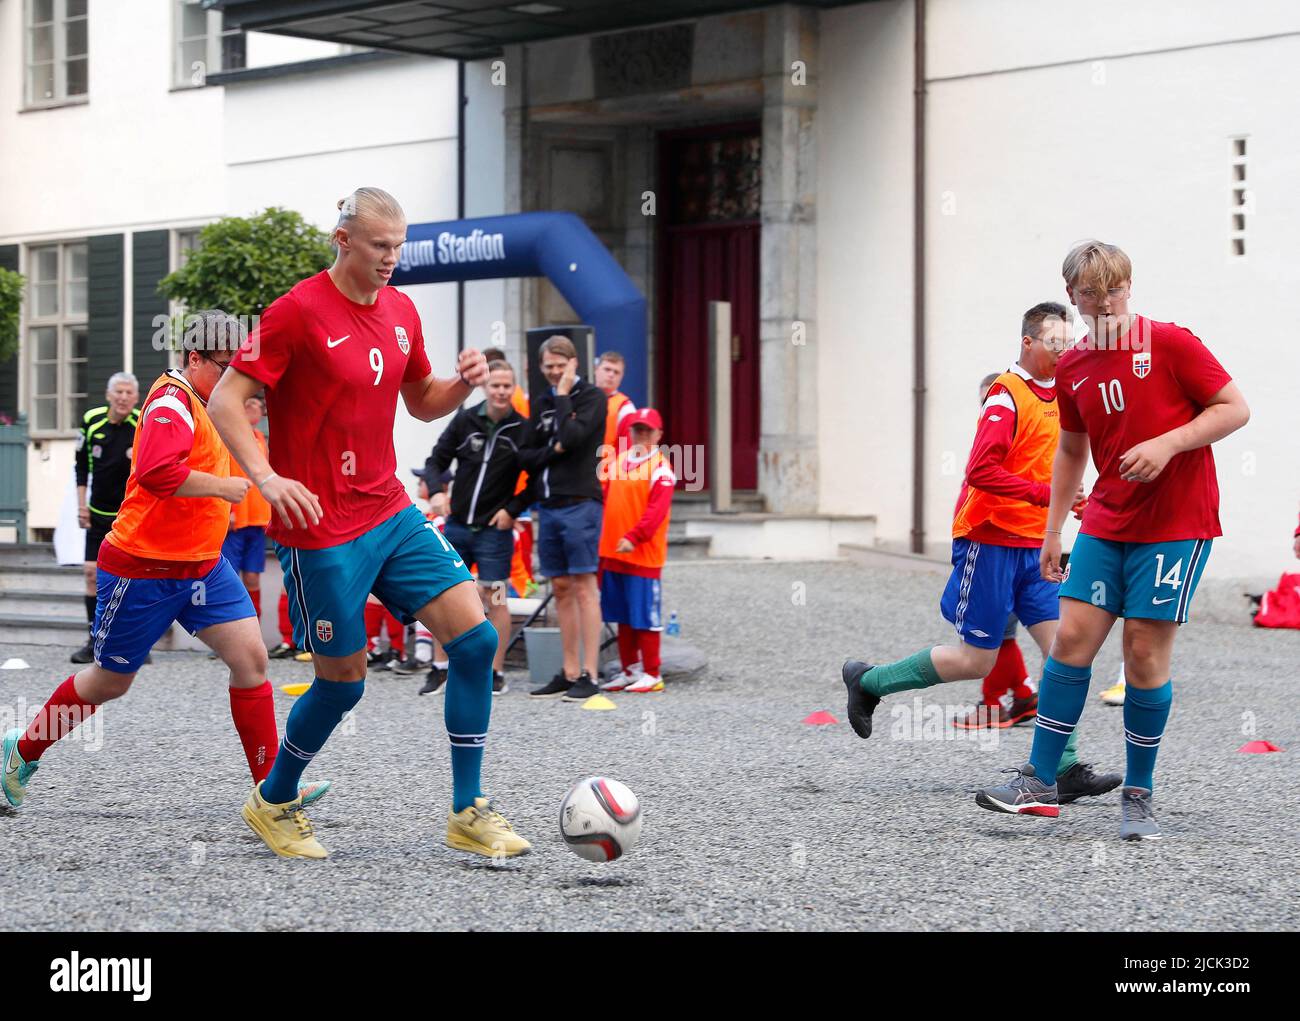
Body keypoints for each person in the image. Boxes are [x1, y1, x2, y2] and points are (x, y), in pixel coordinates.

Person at [209, 186, 529, 860]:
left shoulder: (402, 309)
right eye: (380, 246)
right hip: (320, 527)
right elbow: (225, 399)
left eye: (398, 247)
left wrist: (463, 384)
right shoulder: (296, 311)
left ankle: (468, 809)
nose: (392, 258)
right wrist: (266, 477)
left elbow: (420, 402)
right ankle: (273, 799)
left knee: (473, 642)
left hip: (387, 509)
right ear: (343, 239)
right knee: (344, 683)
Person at [975, 240, 1250, 840]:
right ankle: (1039, 783)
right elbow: (1072, 450)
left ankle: (1140, 792)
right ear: (1072, 297)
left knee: (1143, 653)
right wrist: (1052, 531)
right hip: (1106, 518)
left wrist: (1169, 442)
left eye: (1114, 290)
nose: (1104, 303)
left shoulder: (1172, 342)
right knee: (1071, 638)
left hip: (1177, 522)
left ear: (1130, 287)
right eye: (1090, 294)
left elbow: (1234, 408)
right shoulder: (1071, 366)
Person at [1, 312, 328, 812]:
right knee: (109, 681)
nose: (238, 379)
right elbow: (156, 472)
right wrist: (223, 488)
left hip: (202, 564)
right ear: (193, 359)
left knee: (252, 661)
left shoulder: (218, 401)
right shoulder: (171, 401)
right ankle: (19, 754)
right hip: (141, 568)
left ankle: (271, 795)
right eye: (227, 367)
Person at [842, 303, 1121, 805]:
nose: (1063, 351)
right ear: (1028, 343)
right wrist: (1045, 495)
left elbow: (1064, 461)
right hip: (988, 541)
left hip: (1037, 545)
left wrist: (1071, 504)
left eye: (1068, 342)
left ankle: (1063, 767)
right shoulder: (1005, 397)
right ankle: (870, 681)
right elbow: (980, 472)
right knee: (976, 660)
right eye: (1053, 343)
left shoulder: (1066, 395)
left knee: (1066, 648)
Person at [424, 359, 532, 696]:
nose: (501, 391)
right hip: (457, 527)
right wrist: (438, 492)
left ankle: (494, 673)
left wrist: (512, 509)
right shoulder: (465, 420)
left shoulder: (522, 430)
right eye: (495, 385)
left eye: (506, 386)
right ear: (486, 387)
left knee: (496, 599)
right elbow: (435, 461)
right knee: (443, 596)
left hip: (494, 533)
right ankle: (440, 668)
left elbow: (538, 480)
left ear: (513, 389)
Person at [518, 335, 607, 701]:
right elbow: (525, 455)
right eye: (549, 367)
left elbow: (571, 437)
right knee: (560, 588)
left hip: (580, 502)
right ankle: (569, 670)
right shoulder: (541, 403)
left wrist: (563, 397)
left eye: (561, 365)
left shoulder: (591, 398)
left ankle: (591, 672)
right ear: (541, 367)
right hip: (548, 507)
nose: (555, 372)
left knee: (585, 586)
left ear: (574, 364)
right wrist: (552, 449)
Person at [597, 408, 674, 694]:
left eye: (647, 430)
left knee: (645, 615)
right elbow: (605, 500)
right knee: (622, 614)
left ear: (658, 435)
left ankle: (652, 673)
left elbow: (655, 513)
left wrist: (634, 536)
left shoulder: (661, 470)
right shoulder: (617, 463)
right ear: (629, 433)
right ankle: (629, 670)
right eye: (637, 430)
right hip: (613, 552)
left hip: (642, 554)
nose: (641, 435)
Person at [71, 372, 140, 664]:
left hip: (130, 514)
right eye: (119, 392)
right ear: (109, 395)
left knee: (133, 579)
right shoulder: (91, 421)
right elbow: (81, 466)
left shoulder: (142, 423)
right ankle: (93, 640)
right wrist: (81, 506)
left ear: (136, 398)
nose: (123, 398)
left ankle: (133, 642)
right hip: (97, 513)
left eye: (129, 393)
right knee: (91, 574)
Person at [221, 393, 272, 628]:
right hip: (235, 518)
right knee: (230, 579)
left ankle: (253, 631)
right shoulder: (230, 435)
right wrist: (228, 508)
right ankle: (231, 631)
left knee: (252, 577)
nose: (256, 408)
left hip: (258, 518)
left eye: (259, 405)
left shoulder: (260, 437)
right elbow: (222, 472)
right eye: (250, 403)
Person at [594, 350, 636, 478]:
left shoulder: (626, 408)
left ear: (621, 376)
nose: (611, 375)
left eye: (616, 372)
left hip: (605, 480)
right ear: (596, 369)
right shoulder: (579, 397)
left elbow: (626, 451)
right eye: (607, 369)